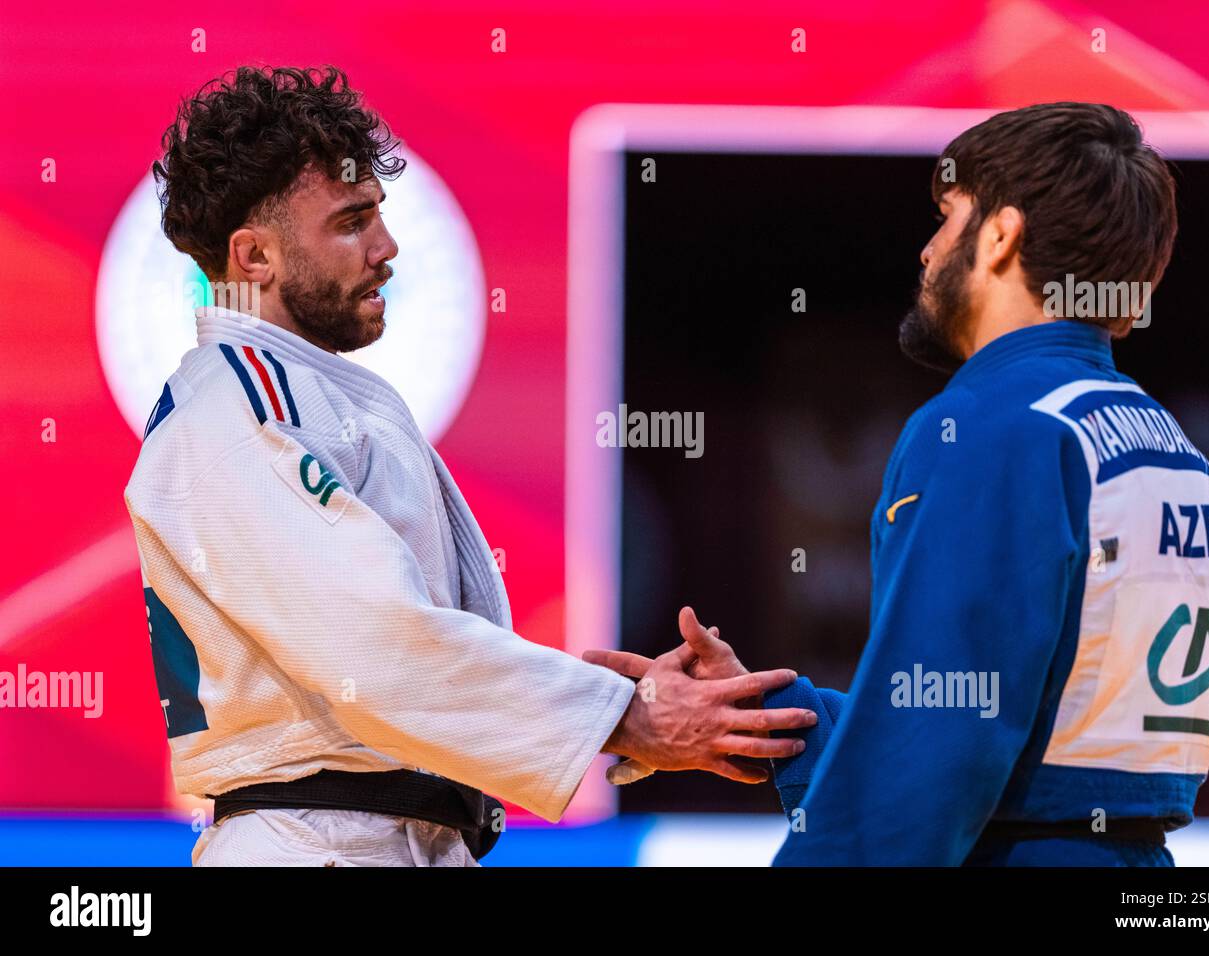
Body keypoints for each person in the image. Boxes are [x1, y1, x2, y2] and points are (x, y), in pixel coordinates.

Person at [127, 65, 817, 867]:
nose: (386, 250)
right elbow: (377, 645)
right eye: (351, 223)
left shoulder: (308, 394)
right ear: (256, 257)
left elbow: (408, 643)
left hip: (374, 835)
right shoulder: (240, 410)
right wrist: (624, 718)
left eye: (379, 217)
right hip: (314, 842)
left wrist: (620, 709)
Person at [587, 103, 1209, 866]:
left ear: (1000, 235)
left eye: (947, 217)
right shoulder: (1167, 442)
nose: (927, 252)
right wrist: (779, 716)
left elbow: (934, 765)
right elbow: (1023, 730)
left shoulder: (993, 424)